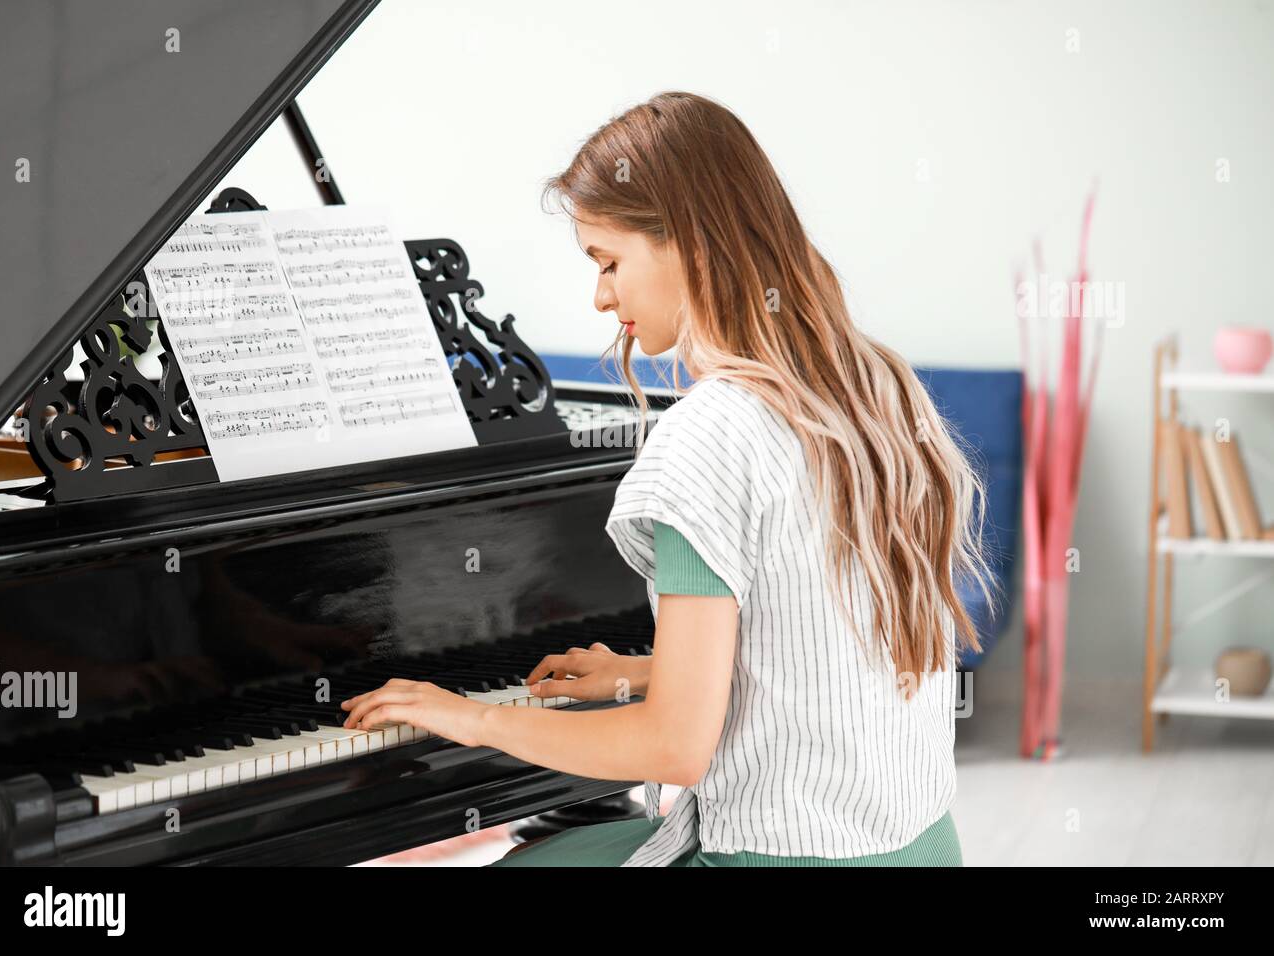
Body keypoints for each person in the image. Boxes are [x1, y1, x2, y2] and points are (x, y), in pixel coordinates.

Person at [341, 91, 997, 867]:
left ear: (689, 242)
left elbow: (676, 748)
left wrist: (469, 716)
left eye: (609, 262)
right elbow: (824, 650)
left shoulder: (709, 434)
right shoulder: (875, 382)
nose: (601, 296)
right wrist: (647, 674)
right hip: (921, 846)